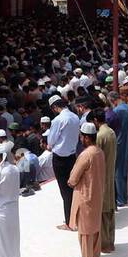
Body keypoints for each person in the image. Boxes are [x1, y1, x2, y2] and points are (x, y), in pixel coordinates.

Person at [69, 120, 106, 257]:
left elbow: (73, 177)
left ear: (87, 137)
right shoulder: (99, 152)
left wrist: (71, 182)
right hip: (97, 193)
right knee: (95, 227)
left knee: (85, 230)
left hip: (85, 195)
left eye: (81, 137)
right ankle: (95, 256)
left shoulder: (86, 155)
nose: (80, 139)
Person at [48, 93, 80, 229]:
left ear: (55, 107)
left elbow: (51, 140)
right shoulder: (75, 117)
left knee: (65, 191)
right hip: (72, 156)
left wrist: (51, 146)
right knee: (73, 188)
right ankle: (76, 217)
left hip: (60, 158)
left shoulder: (58, 120)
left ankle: (69, 222)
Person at [96, 103, 118, 253]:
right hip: (110, 174)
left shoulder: (100, 135)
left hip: (102, 176)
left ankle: (104, 244)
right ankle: (111, 241)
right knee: (110, 210)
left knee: (103, 211)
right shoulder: (111, 132)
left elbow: (96, 156)